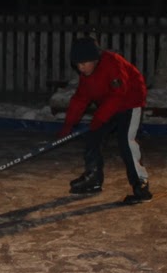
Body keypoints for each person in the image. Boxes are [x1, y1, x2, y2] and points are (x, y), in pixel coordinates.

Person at [57, 36, 151, 204]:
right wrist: (69, 124)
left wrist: (100, 117)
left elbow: (118, 94)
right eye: (77, 65)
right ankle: (93, 178)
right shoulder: (86, 74)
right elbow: (81, 98)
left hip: (130, 102)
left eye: (84, 63)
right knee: (93, 137)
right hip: (109, 104)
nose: (81, 68)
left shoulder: (113, 63)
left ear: (95, 59)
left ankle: (140, 185)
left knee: (126, 141)